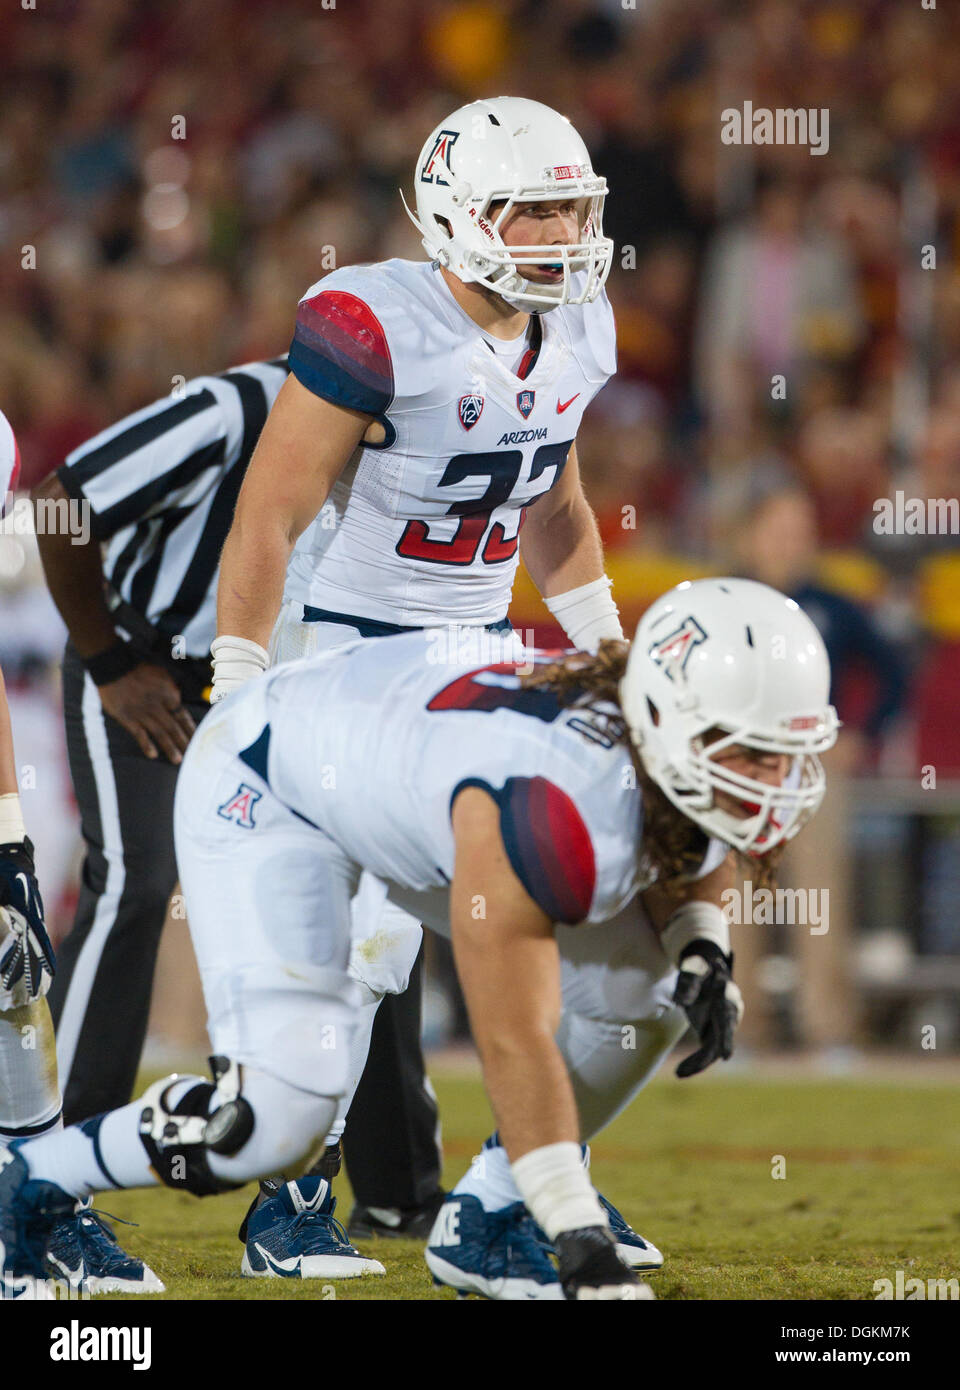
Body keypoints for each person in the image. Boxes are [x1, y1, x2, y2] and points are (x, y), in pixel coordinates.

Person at [0, 578, 839, 1300]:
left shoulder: (657, 751)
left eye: (785, 755)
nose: (775, 784)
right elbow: (513, 1038)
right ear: (665, 719)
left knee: (653, 991)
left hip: (401, 775)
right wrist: (576, 1230)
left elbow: (691, 845)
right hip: (274, 788)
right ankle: (39, 1179)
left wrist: (702, 943)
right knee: (275, 1126)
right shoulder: (542, 808)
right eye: (753, 755)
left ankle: (479, 1219)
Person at [211, 94, 628, 1274]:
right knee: (364, 940)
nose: (559, 232)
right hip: (347, 645)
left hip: (479, 649)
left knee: (573, 906)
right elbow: (269, 515)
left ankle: (525, 1185)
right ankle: (286, 1200)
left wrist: (610, 654)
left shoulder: (578, 322)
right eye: (532, 208)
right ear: (458, 216)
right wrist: (242, 689)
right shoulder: (372, 322)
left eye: (571, 206)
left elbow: (554, 507)